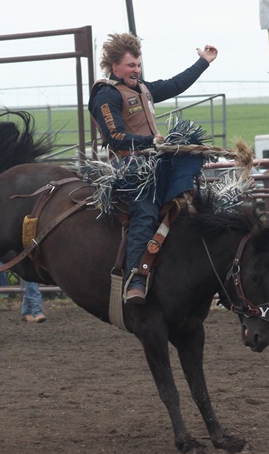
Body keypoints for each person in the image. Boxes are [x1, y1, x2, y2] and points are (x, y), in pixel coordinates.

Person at [87, 32, 218, 304]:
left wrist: (203, 62)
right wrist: (151, 140)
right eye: (130, 65)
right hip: (130, 168)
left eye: (138, 64)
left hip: (156, 162)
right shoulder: (106, 95)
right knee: (145, 213)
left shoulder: (143, 89)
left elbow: (175, 84)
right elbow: (115, 137)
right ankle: (135, 278)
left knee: (192, 198)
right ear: (115, 68)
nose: (136, 69)